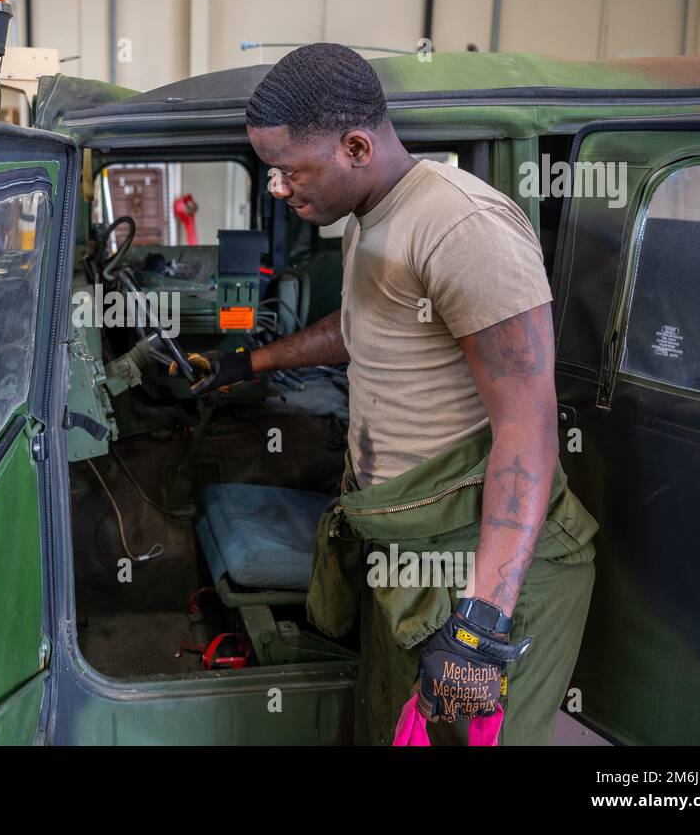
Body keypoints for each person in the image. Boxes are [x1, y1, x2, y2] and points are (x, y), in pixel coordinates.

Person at [177, 43, 597, 745]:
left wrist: (481, 626)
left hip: (476, 563)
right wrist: (248, 363)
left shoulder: (462, 227)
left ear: (355, 145)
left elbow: (529, 426)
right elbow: (361, 327)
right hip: (402, 544)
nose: (279, 189)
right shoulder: (372, 215)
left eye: (289, 171)